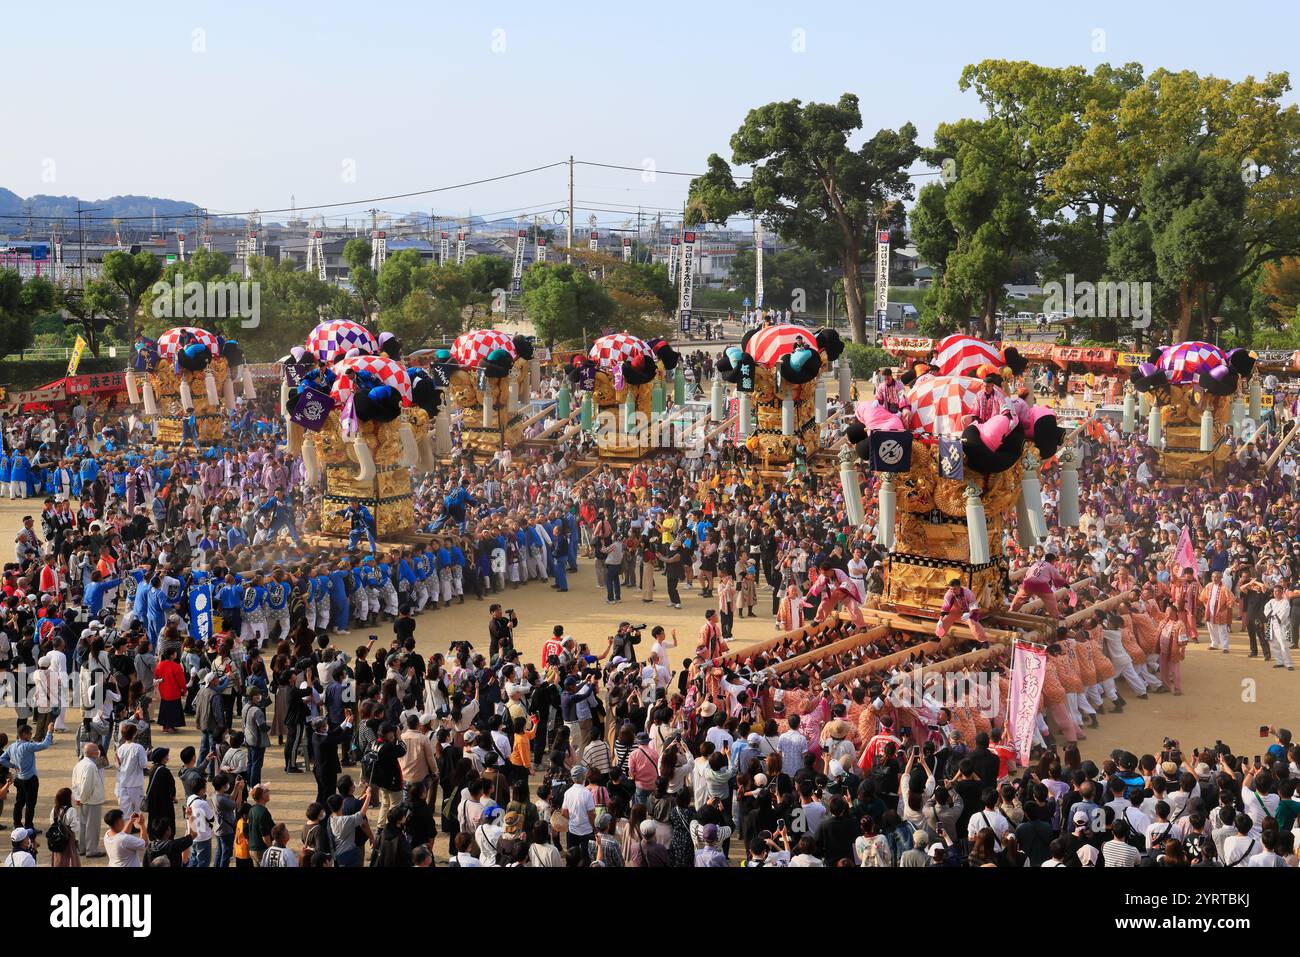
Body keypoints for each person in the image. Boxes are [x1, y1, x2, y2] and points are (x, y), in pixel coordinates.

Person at [0, 725, 54, 831]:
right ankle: (29, 826)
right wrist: (49, 731)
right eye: (29, 733)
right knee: (30, 804)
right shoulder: (27, 746)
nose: (31, 735)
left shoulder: (12, 746)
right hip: (30, 780)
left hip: (19, 779)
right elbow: (45, 744)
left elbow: (2, 759)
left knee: (19, 803)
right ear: (24, 734)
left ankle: (17, 824)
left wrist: (14, 766)